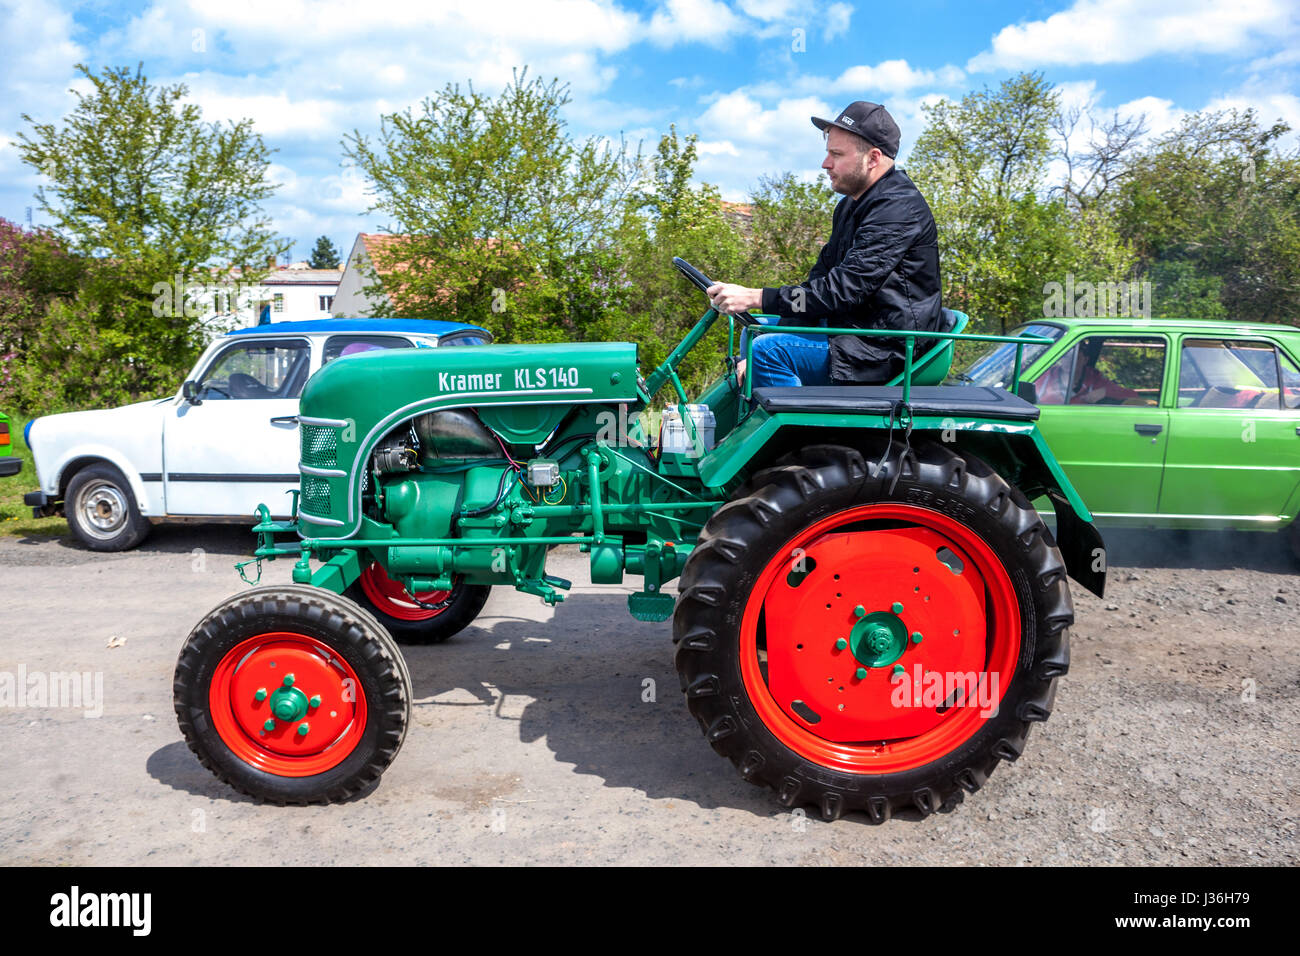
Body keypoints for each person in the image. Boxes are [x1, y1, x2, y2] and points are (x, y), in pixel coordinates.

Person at [707, 101, 944, 388]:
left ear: (873, 158)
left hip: (885, 347)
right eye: (827, 153)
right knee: (754, 333)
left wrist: (758, 298)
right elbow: (820, 282)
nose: (825, 163)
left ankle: (796, 432)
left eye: (836, 154)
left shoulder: (898, 209)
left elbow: (842, 291)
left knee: (768, 352)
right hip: (853, 331)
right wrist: (779, 319)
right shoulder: (849, 207)